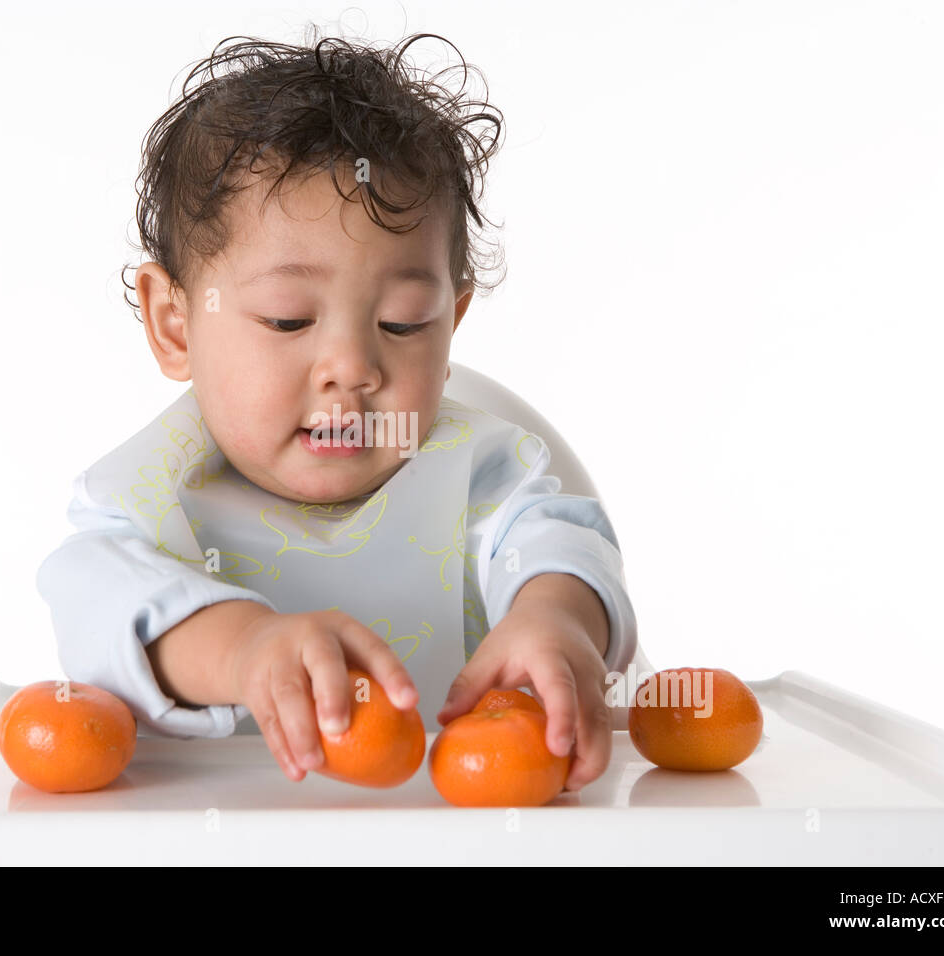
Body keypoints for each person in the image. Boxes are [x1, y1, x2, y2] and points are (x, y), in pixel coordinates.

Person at [36, 31, 637, 792]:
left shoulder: (477, 474)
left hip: (464, 826)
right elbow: (101, 608)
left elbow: (561, 544)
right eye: (288, 319)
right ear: (175, 323)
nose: (353, 369)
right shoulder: (150, 499)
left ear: (451, 324)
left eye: (404, 323)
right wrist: (246, 649)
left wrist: (558, 621)